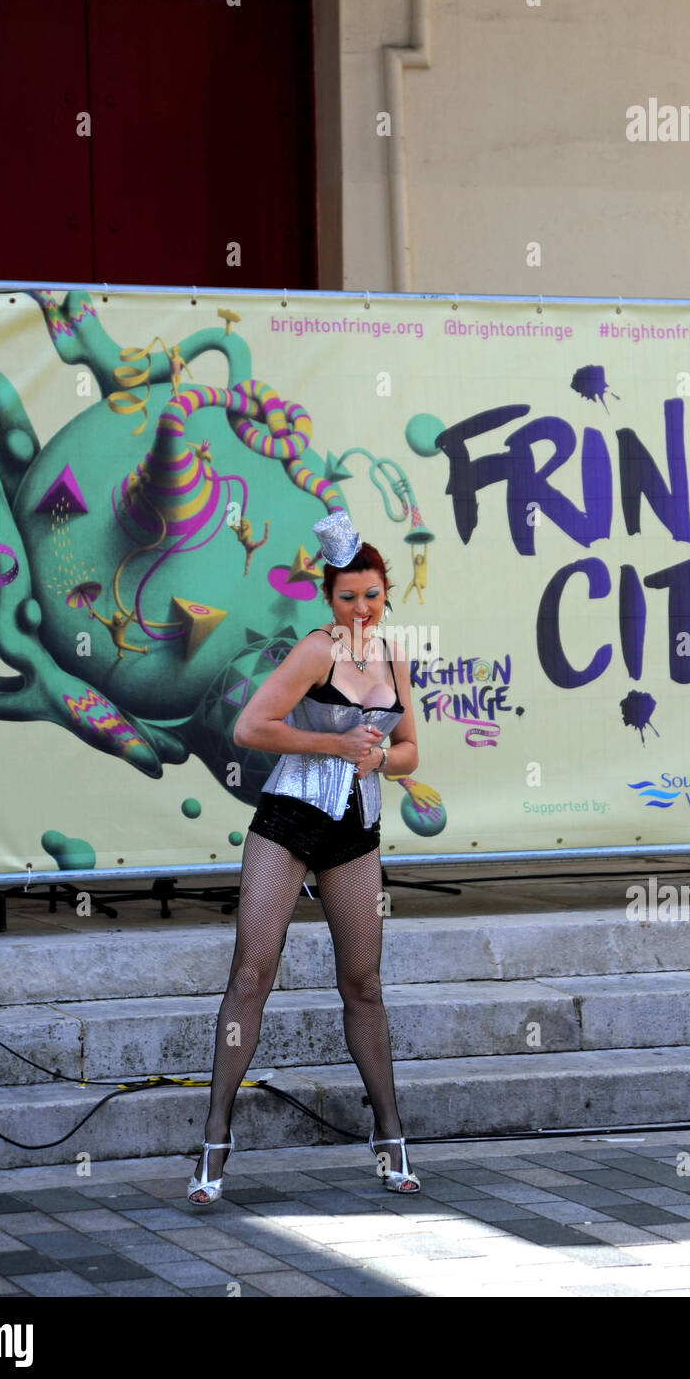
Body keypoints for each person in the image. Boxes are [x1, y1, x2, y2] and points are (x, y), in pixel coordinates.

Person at [188, 509, 421, 1205]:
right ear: (329, 597)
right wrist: (336, 746)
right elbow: (251, 724)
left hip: (355, 826)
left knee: (364, 984)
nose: (361, 607)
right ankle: (214, 1140)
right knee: (253, 973)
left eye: (372, 594)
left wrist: (379, 755)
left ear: (387, 594)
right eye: (348, 596)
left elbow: (411, 753)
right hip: (289, 820)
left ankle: (391, 1139)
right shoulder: (315, 651)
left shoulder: (395, 655)